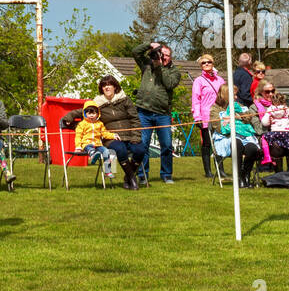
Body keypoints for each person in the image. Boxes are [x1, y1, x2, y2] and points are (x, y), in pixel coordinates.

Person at [132, 40, 181, 183]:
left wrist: (160, 67)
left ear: (170, 57)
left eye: (166, 55)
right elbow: (135, 52)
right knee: (143, 144)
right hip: (144, 111)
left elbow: (169, 84)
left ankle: (166, 175)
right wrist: (149, 45)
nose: (163, 57)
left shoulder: (174, 71)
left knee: (166, 145)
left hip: (162, 114)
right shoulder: (147, 65)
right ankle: (142, 175)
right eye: (161, 54)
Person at [94, 75, 146, 189]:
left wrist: (136, 137)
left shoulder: (124, 100)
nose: (107, 87)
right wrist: (68, 117)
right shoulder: (97, 104)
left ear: (115, 87)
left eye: (109, 85)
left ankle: (127, 177)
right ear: (101, 88)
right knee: (120, 149)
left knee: (140, 150)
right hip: (111, 137)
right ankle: (132, 179)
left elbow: (135, 119)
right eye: (104, 85)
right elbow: (83, 111)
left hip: (129, 135)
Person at [211, 85, 262, 187]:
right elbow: (219, 127)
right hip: (226, 137)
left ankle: (245, 174)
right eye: (233, 95)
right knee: (236, 143)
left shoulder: (238, 105)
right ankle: (238, 177)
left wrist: (238, 117)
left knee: (252, 148)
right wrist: (231, 121)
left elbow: (249, 117)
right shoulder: (215, 108)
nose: (236, 97)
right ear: (226, 95)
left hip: (244, 136)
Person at [191, 55, 224, 179]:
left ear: (213, 63)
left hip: (219, 115)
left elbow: (225, 95)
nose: (206, 64)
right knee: (207, 144)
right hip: (205, 116)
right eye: (203, 63)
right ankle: (208, 171)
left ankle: (220, 169)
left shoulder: (220, 80)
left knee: (220, 142)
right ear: (201, 66)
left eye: (209, 62)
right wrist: (197, 117)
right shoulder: (198, 81)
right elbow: (196, 100)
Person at [259, 92, 289, 176]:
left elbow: (264, 122)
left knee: (270, 145)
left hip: (276, 134)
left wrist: (269, 122)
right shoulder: (287, 109)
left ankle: (279, 176)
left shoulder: (270, 109)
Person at [74, 101, 117, 177]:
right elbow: (78, 136)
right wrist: (78, 147)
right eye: (89, 113)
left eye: (93, 113)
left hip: (98, 144)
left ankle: (107, 171)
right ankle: (93, 155)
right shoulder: (82, 124)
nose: (91, 115)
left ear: (97, 114)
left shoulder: (100, 123)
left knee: (107, 151)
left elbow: (105, 133)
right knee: (90, 148)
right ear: (85, 114)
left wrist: (113, 136)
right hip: (87, 144)